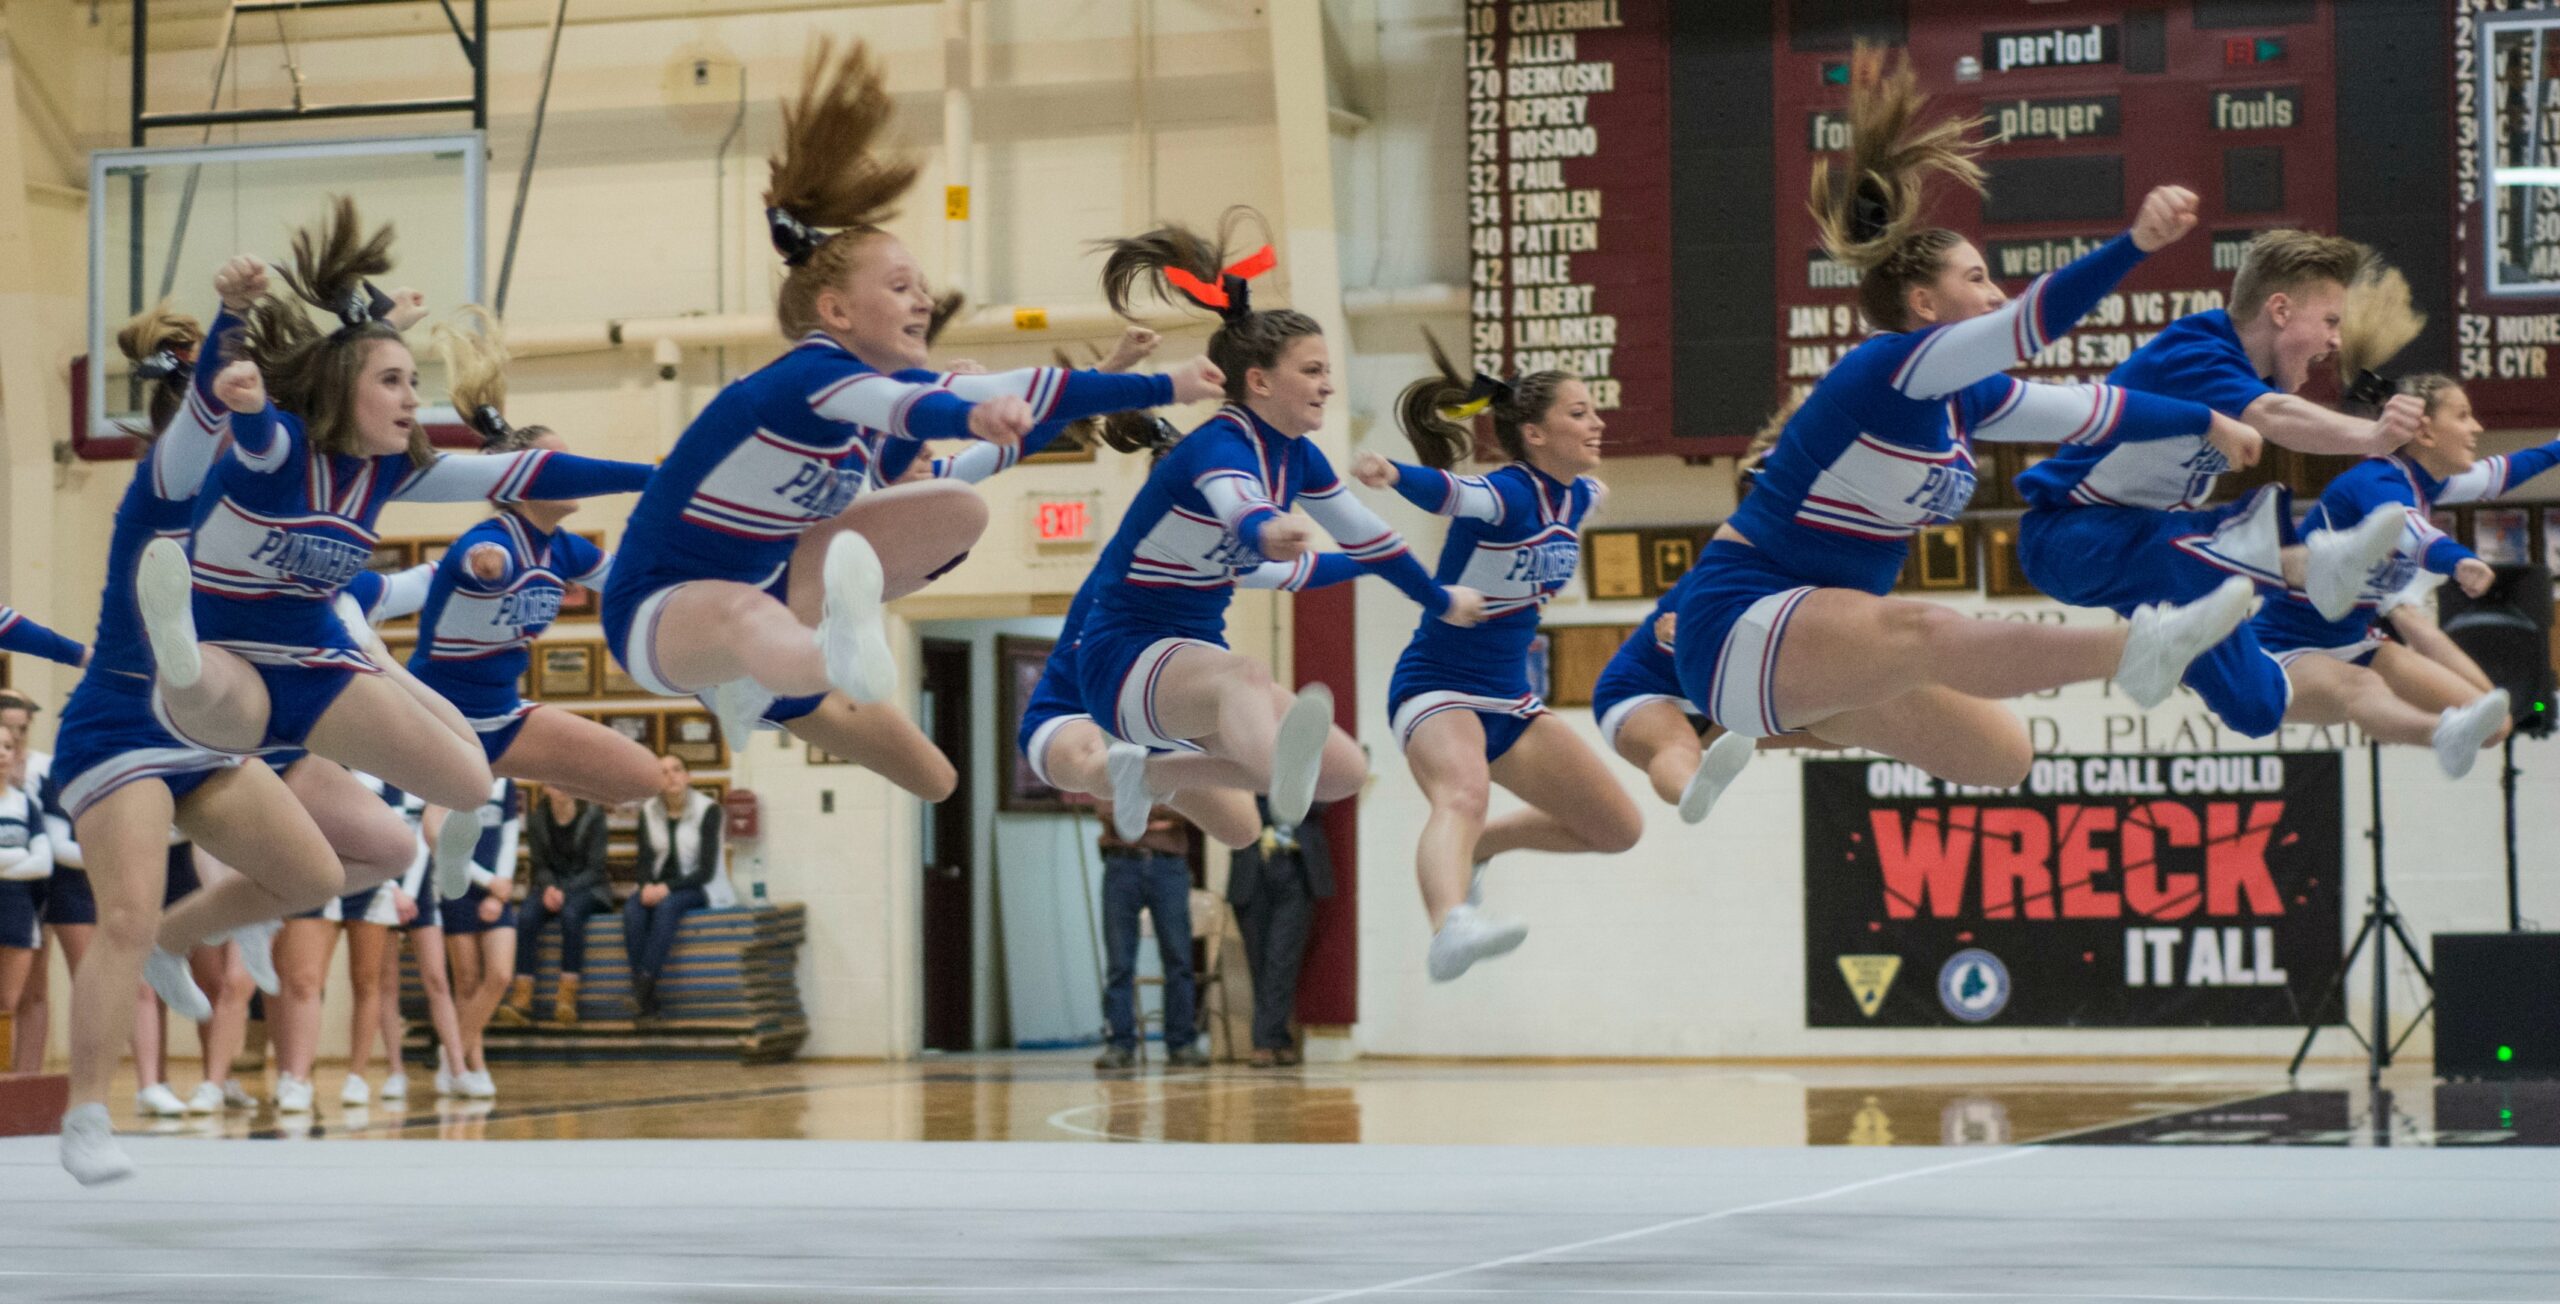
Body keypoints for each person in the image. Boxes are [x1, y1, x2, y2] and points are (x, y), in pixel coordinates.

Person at [1667, 46, 2255, 802]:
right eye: (1974, 277)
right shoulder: (1891, 367)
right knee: (1927, 635)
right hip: (1740, 617)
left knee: (2000, 755)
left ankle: (1762, 727)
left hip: (1820, 643)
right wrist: (2134, 245)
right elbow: (2026, 327)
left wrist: (2204, 420)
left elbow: (2094, 410)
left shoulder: (1968, 399)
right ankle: (2136, 648)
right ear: (1921, 304)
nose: (1991, 291)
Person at [599, 39, 1206, 771]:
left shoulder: (874, 437)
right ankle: (793, 661)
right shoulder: (807, 379)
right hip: (663, 611)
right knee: (750, 613)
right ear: (836, 310)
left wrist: (1162, 382)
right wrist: (974, 414)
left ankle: (784, 668)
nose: (922, 299)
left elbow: (1001, 409)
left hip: (781, 592)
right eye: (899, 286)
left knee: (938, 757)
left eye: (921, 285)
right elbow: (929, 408)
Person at [2018, 237, 2510, 775]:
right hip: (2066, 538)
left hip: (2156, 560)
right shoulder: (2196, 348)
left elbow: (2273, 410)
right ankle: (2308, 563)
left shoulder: (2247, 378)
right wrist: (2373, 436)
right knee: (2200, 539)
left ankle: (2440, 733)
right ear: (2279, 309)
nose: (2335, 340)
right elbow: (2277, 416)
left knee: (2255, 706)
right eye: (2329, 320)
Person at [1078, 208, 1484, 842]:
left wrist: (1436, 598)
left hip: (1189, 666)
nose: (1327, 386)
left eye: (1328, 371)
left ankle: (1147, 776)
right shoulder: (1220, 445)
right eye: (1313, 371)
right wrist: (1267, 529)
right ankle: (1258, 774)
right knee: (1247, 674)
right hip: (1124, 659)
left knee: (1343, 772)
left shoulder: (1298, 456)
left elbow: (1370, 538)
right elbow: (1241, 508)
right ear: (1260, 381)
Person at [1355, 334, 1640, 981]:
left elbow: (1589, 496)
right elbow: (1449, 493)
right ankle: (1450, 928)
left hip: (1509, 700)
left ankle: (1480, 849)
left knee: (1617, 829)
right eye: (1578, 411)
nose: (1596, 423)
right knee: (1463, 793)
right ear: (1534, 435)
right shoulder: (1506, 493)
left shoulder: (1580, 497)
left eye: (1594, 410)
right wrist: (1394, 474)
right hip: (1438, 689)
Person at [2250, 374, 2560, 736]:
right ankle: (2439, 735)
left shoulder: (2422, 485)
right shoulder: (2375, 482)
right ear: (2425, 432)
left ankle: (2452, 729)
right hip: (2283, 648)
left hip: (2352, 642)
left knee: (2495, 725)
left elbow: (2497, 475)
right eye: (2462, 415)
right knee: (2364, 689)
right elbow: (2411, 532)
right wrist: (2459, 560)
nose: (2476, 427)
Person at [1093, 804, 1206, 1070]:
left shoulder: (1174, 763)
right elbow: (1106, 809)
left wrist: (1136, 813)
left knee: (1179, 960)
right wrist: (1162, 813)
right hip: (1121, 864)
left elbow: (1190, 809)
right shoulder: (1112, 762)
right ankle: (1119, 1044)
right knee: (1119, 963)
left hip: (1168, 866)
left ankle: (1181, 1044)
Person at [1225, 796, 1332, 1067]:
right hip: (1251, 867)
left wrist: (1265, 801)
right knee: (1259, 961)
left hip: (1294, 867)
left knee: (1281, 959)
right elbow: (1234, 802)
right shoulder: (1246, 757)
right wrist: (1281, 803)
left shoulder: (1303, 759)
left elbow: (1319, 801)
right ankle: (1278, 1038)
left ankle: (1263, 1042)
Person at [505, 785, 611, 1025]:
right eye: (554, 783)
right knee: (527, 916)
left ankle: (566, 998)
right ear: (545, 789)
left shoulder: (594, 815)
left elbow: (596, 869)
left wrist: (564, 891)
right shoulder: (537, 818)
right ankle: (522, 998)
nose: (561, 788)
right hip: (550, 888)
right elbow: (539, 864)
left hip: (589, 889)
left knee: (571, 915)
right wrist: (550, 887)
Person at [629, 755, 721, 1020]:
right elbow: (644, 860)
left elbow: (706, 871)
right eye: (664, 772)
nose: (671, 776)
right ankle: (647, 1003)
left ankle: (642, 986)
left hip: (693, 888)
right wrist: (646, 886)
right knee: (633, 911)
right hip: (656, 887)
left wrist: (666, 888)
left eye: (677, 770)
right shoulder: (648, 810)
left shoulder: (708, 810)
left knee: (667, 907)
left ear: (688, 776)